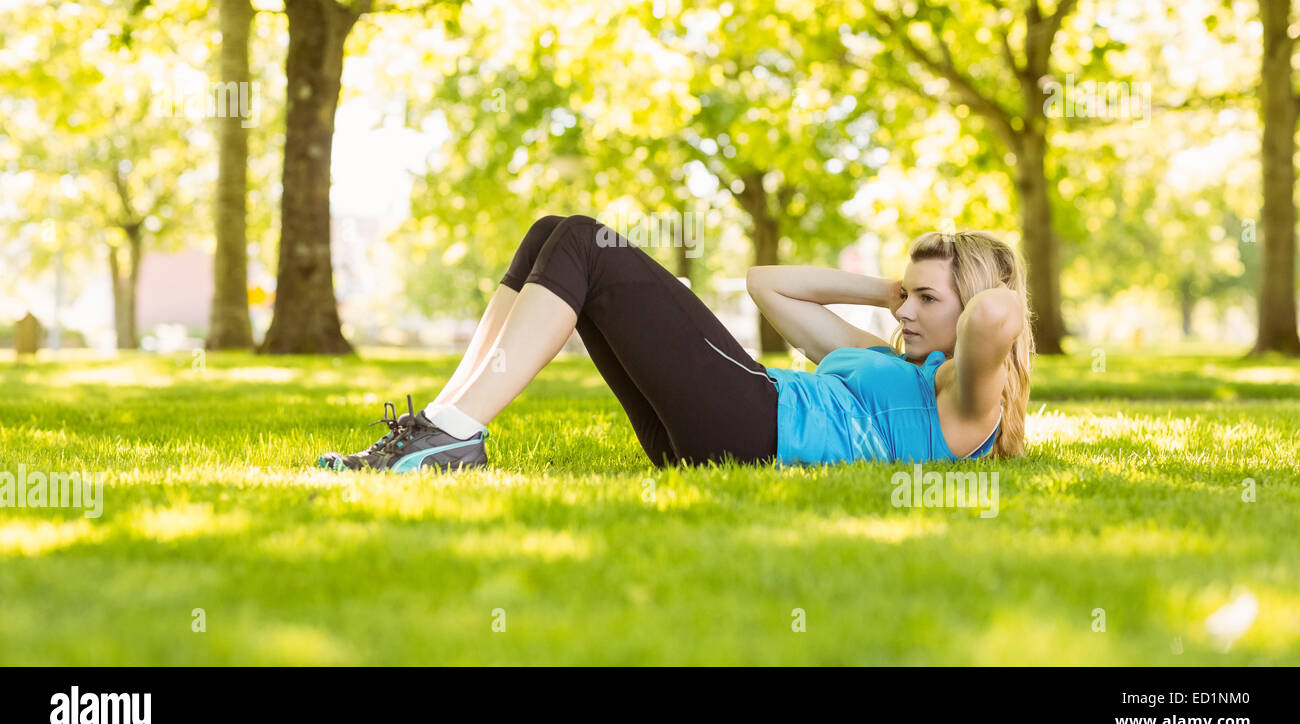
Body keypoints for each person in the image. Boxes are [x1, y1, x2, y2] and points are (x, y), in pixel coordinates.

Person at [317, 216, 1032, 473]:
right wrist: (889, 290)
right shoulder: (880, 357)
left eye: (926, 300)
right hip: (718, 430)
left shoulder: (963, 400)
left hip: (758, 423)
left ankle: (452, 437)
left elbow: (997, 314)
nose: (906, 310)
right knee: (551, 232)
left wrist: (971, 285)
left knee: (586, 244)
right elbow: (766, 285)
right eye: (906, 296)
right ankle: (433, 432)